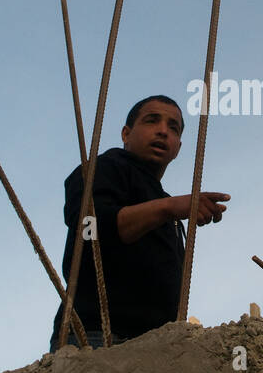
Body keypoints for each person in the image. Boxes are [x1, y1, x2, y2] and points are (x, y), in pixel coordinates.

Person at [49, 95, 229, 350]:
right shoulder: (103, 169)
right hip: (95, 338)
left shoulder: (167, 206)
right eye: (152, 121)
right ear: (126, 133)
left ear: (178, 148)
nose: (163, 131)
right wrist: (168, 208)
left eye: (173, 128)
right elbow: (91, 228)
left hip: (154, 349)